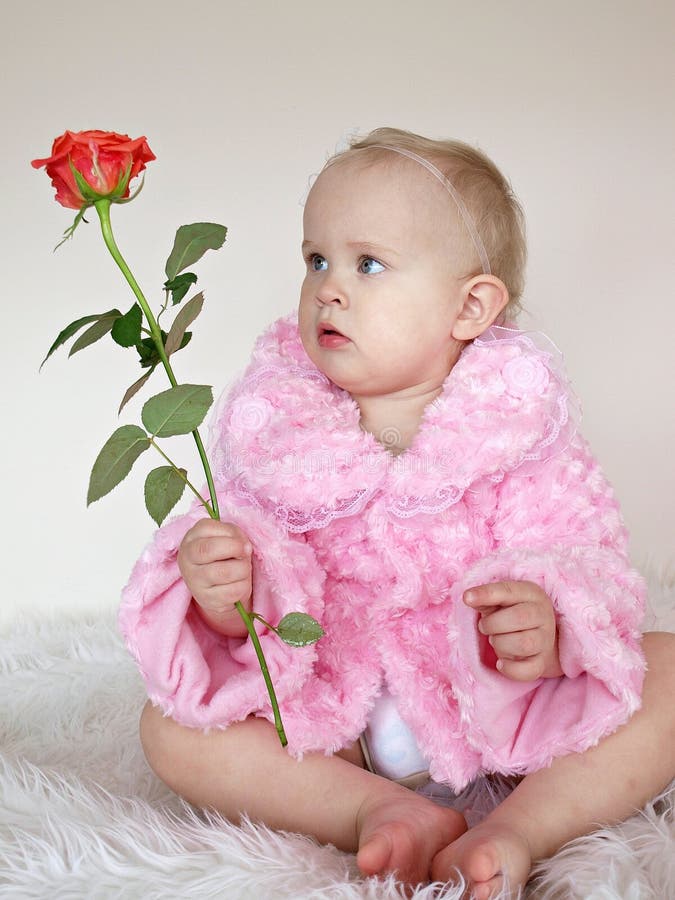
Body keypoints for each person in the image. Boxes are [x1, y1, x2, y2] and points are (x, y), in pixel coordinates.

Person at [120, 128, 675, 899]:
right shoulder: (275, 427)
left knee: (665, 671)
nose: (328, 288)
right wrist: (219, 591)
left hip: (499, 716)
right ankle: (373, 810)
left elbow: (582, 549)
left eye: (368, 264)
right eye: (316, 259)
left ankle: (519, 827)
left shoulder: (516, 426)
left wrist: (549, 620)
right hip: (331, 723)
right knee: (171, 729)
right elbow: (247, 574)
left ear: (469, 307)